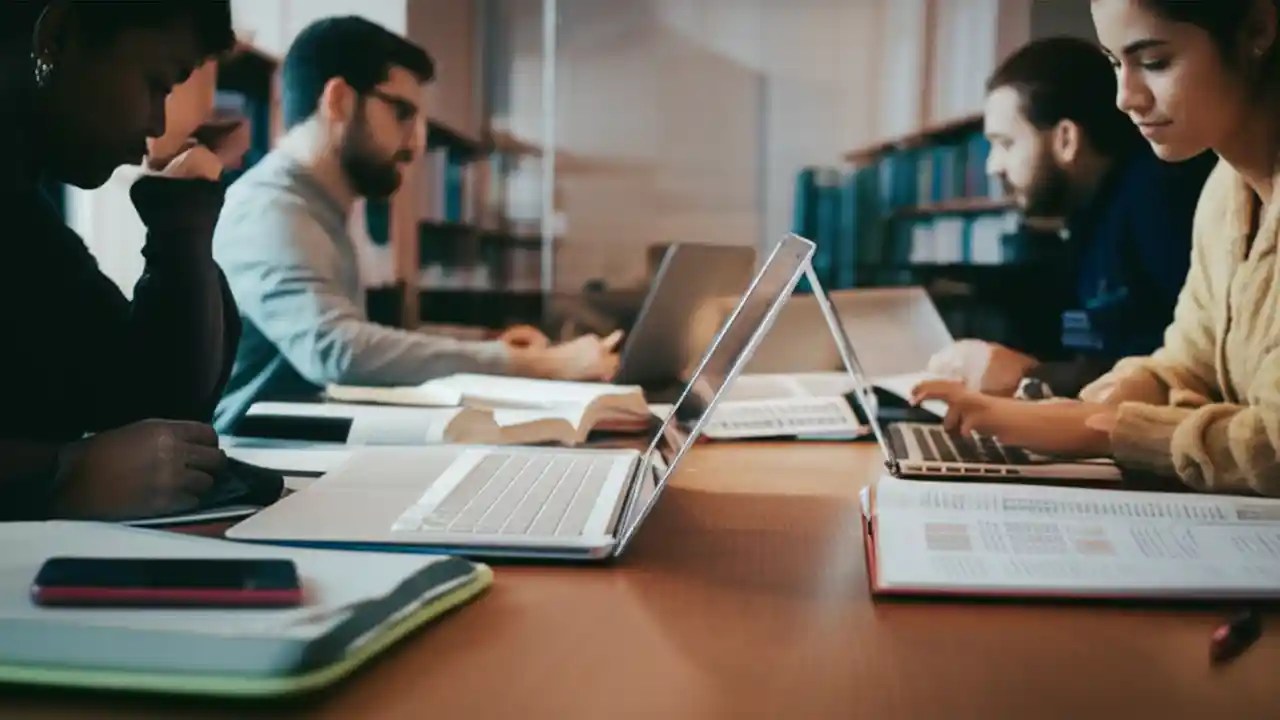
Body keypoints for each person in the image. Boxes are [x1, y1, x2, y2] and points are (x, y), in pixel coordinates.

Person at [915, 0, 1280, 497]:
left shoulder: (1159, 194)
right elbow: (1187, 361)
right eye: (1114, 63)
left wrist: (1106, 429)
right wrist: (1117, 392)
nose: (1124, 97)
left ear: (1257, 27)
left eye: (1154, 62)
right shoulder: (1223, 191)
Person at [212, 17, 620, 432]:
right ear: (338, 101)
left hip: (305, 446)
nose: (418, 142)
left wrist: (489, 348)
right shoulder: (269, 208)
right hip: (260, 468)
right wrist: (538, 364)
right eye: (402, 113)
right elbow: (338, 351)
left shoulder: (318, 208)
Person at [0, 1, 242, 520]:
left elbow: (158, 409)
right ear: (58, 37)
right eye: (157, 83)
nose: (155, 126)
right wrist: (58, 474)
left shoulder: (21, 220)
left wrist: (181, 217)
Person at [926, 36, 1216, 399]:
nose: (992, 167)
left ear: (1066, 139)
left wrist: (1030, 376)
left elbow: (1192, 371)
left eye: (1005, 143)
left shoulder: (1159, 199)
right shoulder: (1089, 217)